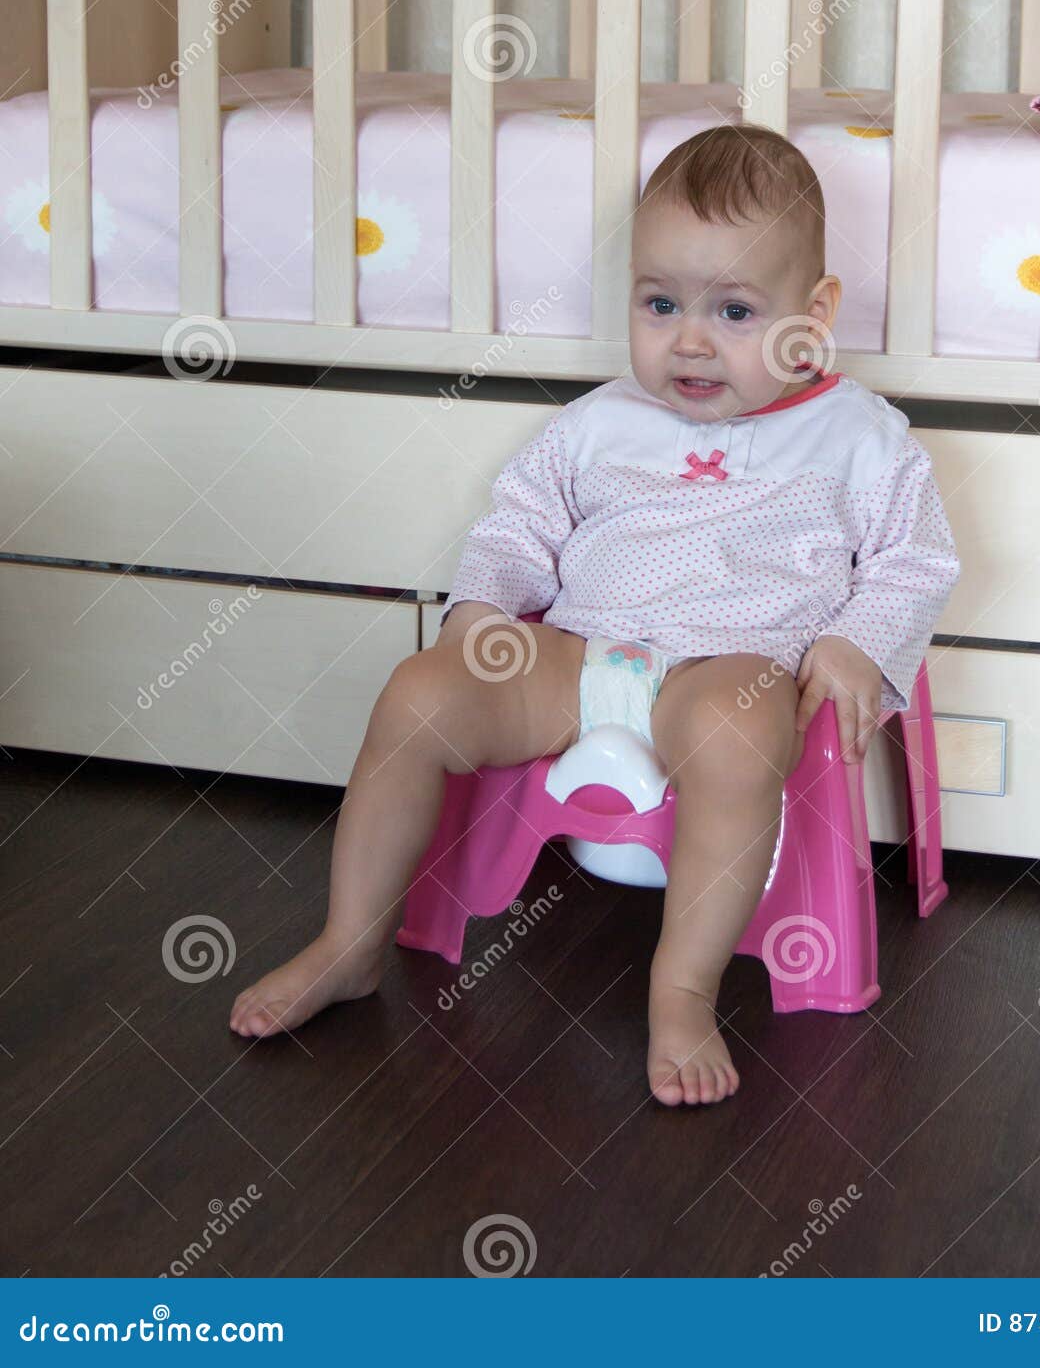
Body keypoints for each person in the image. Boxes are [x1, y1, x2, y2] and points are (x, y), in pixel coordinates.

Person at [230, 123, 961, 1108]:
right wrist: (482, 611)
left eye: (735, 311)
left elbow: (916, 561)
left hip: (729, 669)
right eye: (660, 303)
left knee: (741, 729)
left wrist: (855, 641)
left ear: (816, 312)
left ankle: (683, 989)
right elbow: (521, 523)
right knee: (417, 695)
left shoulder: (862, 441)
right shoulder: (602, 421)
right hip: (578, 657)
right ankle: (349, 943)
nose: (690, 340)